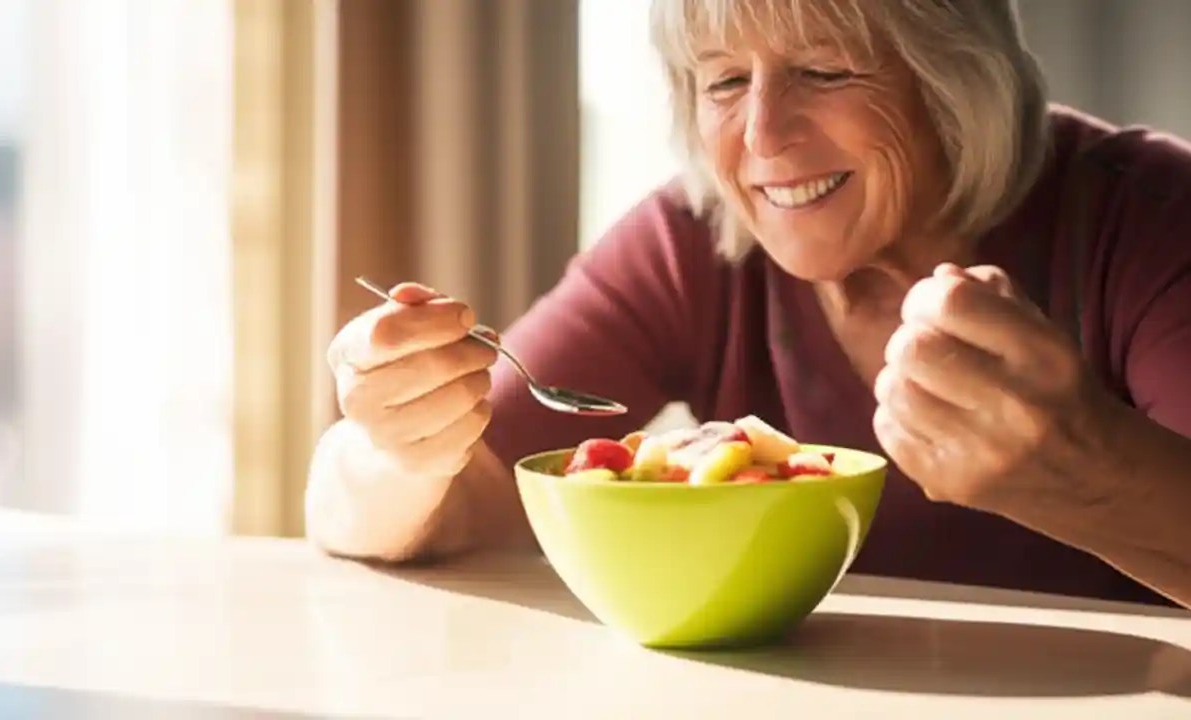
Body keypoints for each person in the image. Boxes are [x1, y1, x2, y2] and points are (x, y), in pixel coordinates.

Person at [306, 0, 1191, 608]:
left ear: (955, 76)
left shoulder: (1151, 217)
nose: (763, 137)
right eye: (724, 82)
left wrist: (1089, 469)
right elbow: (460, 503)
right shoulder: (694, 239)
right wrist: (395, 446)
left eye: (824, 69)